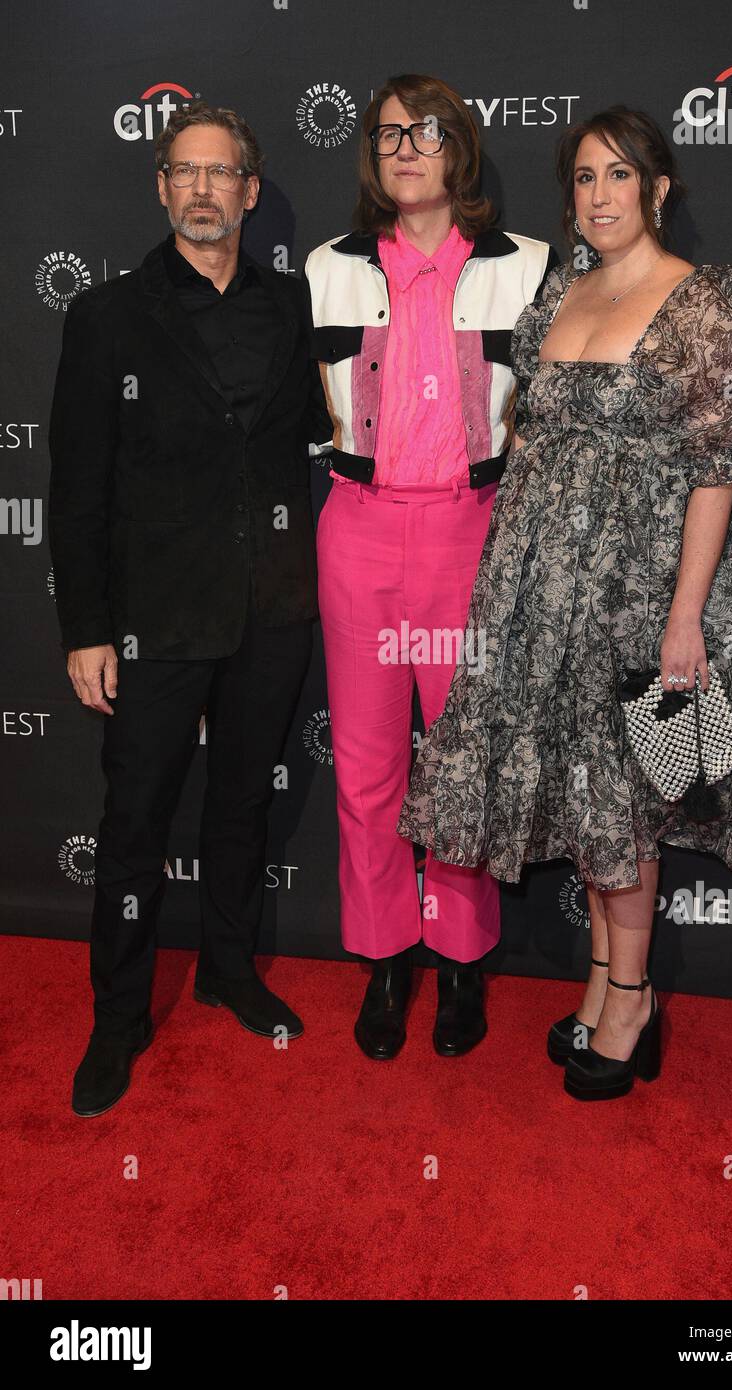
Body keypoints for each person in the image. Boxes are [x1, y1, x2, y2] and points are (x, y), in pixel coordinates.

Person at [396, 105, 732, 1099]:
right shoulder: (564, 286)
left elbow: (714, 473)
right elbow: (529, 438)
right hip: (539, 594)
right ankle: (605, 981)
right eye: (583, 178)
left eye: (617, 176)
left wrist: (683, 616)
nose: (598, 196)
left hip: (641, 592)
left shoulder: (702, 305)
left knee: (625, 801)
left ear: (657, 189)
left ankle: (633, 997)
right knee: (589, 801)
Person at [48, 100, 330, 1116]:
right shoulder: (106, 316)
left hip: (269, 610)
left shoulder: (289, 307)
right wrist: (85, 625)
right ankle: (119, 1013)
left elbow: (309, 435)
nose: (204, 188)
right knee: (135, 822)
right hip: (152, 619)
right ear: (162, 186)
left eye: (223, 173)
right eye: (185, 171)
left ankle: (224, 967)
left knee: (242, 805)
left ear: (250, 193)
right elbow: (77, 490)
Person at [304, 74, 559, 1060]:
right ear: (370, 156)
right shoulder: (325, 268)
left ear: (461, 149)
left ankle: (459, 961)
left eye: (427, 133)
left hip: (472, 535)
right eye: (387, 134)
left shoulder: (528, 266)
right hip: (357, 531)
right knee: (367, 769)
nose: (405, 148)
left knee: (461, 764)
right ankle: (383, 959)